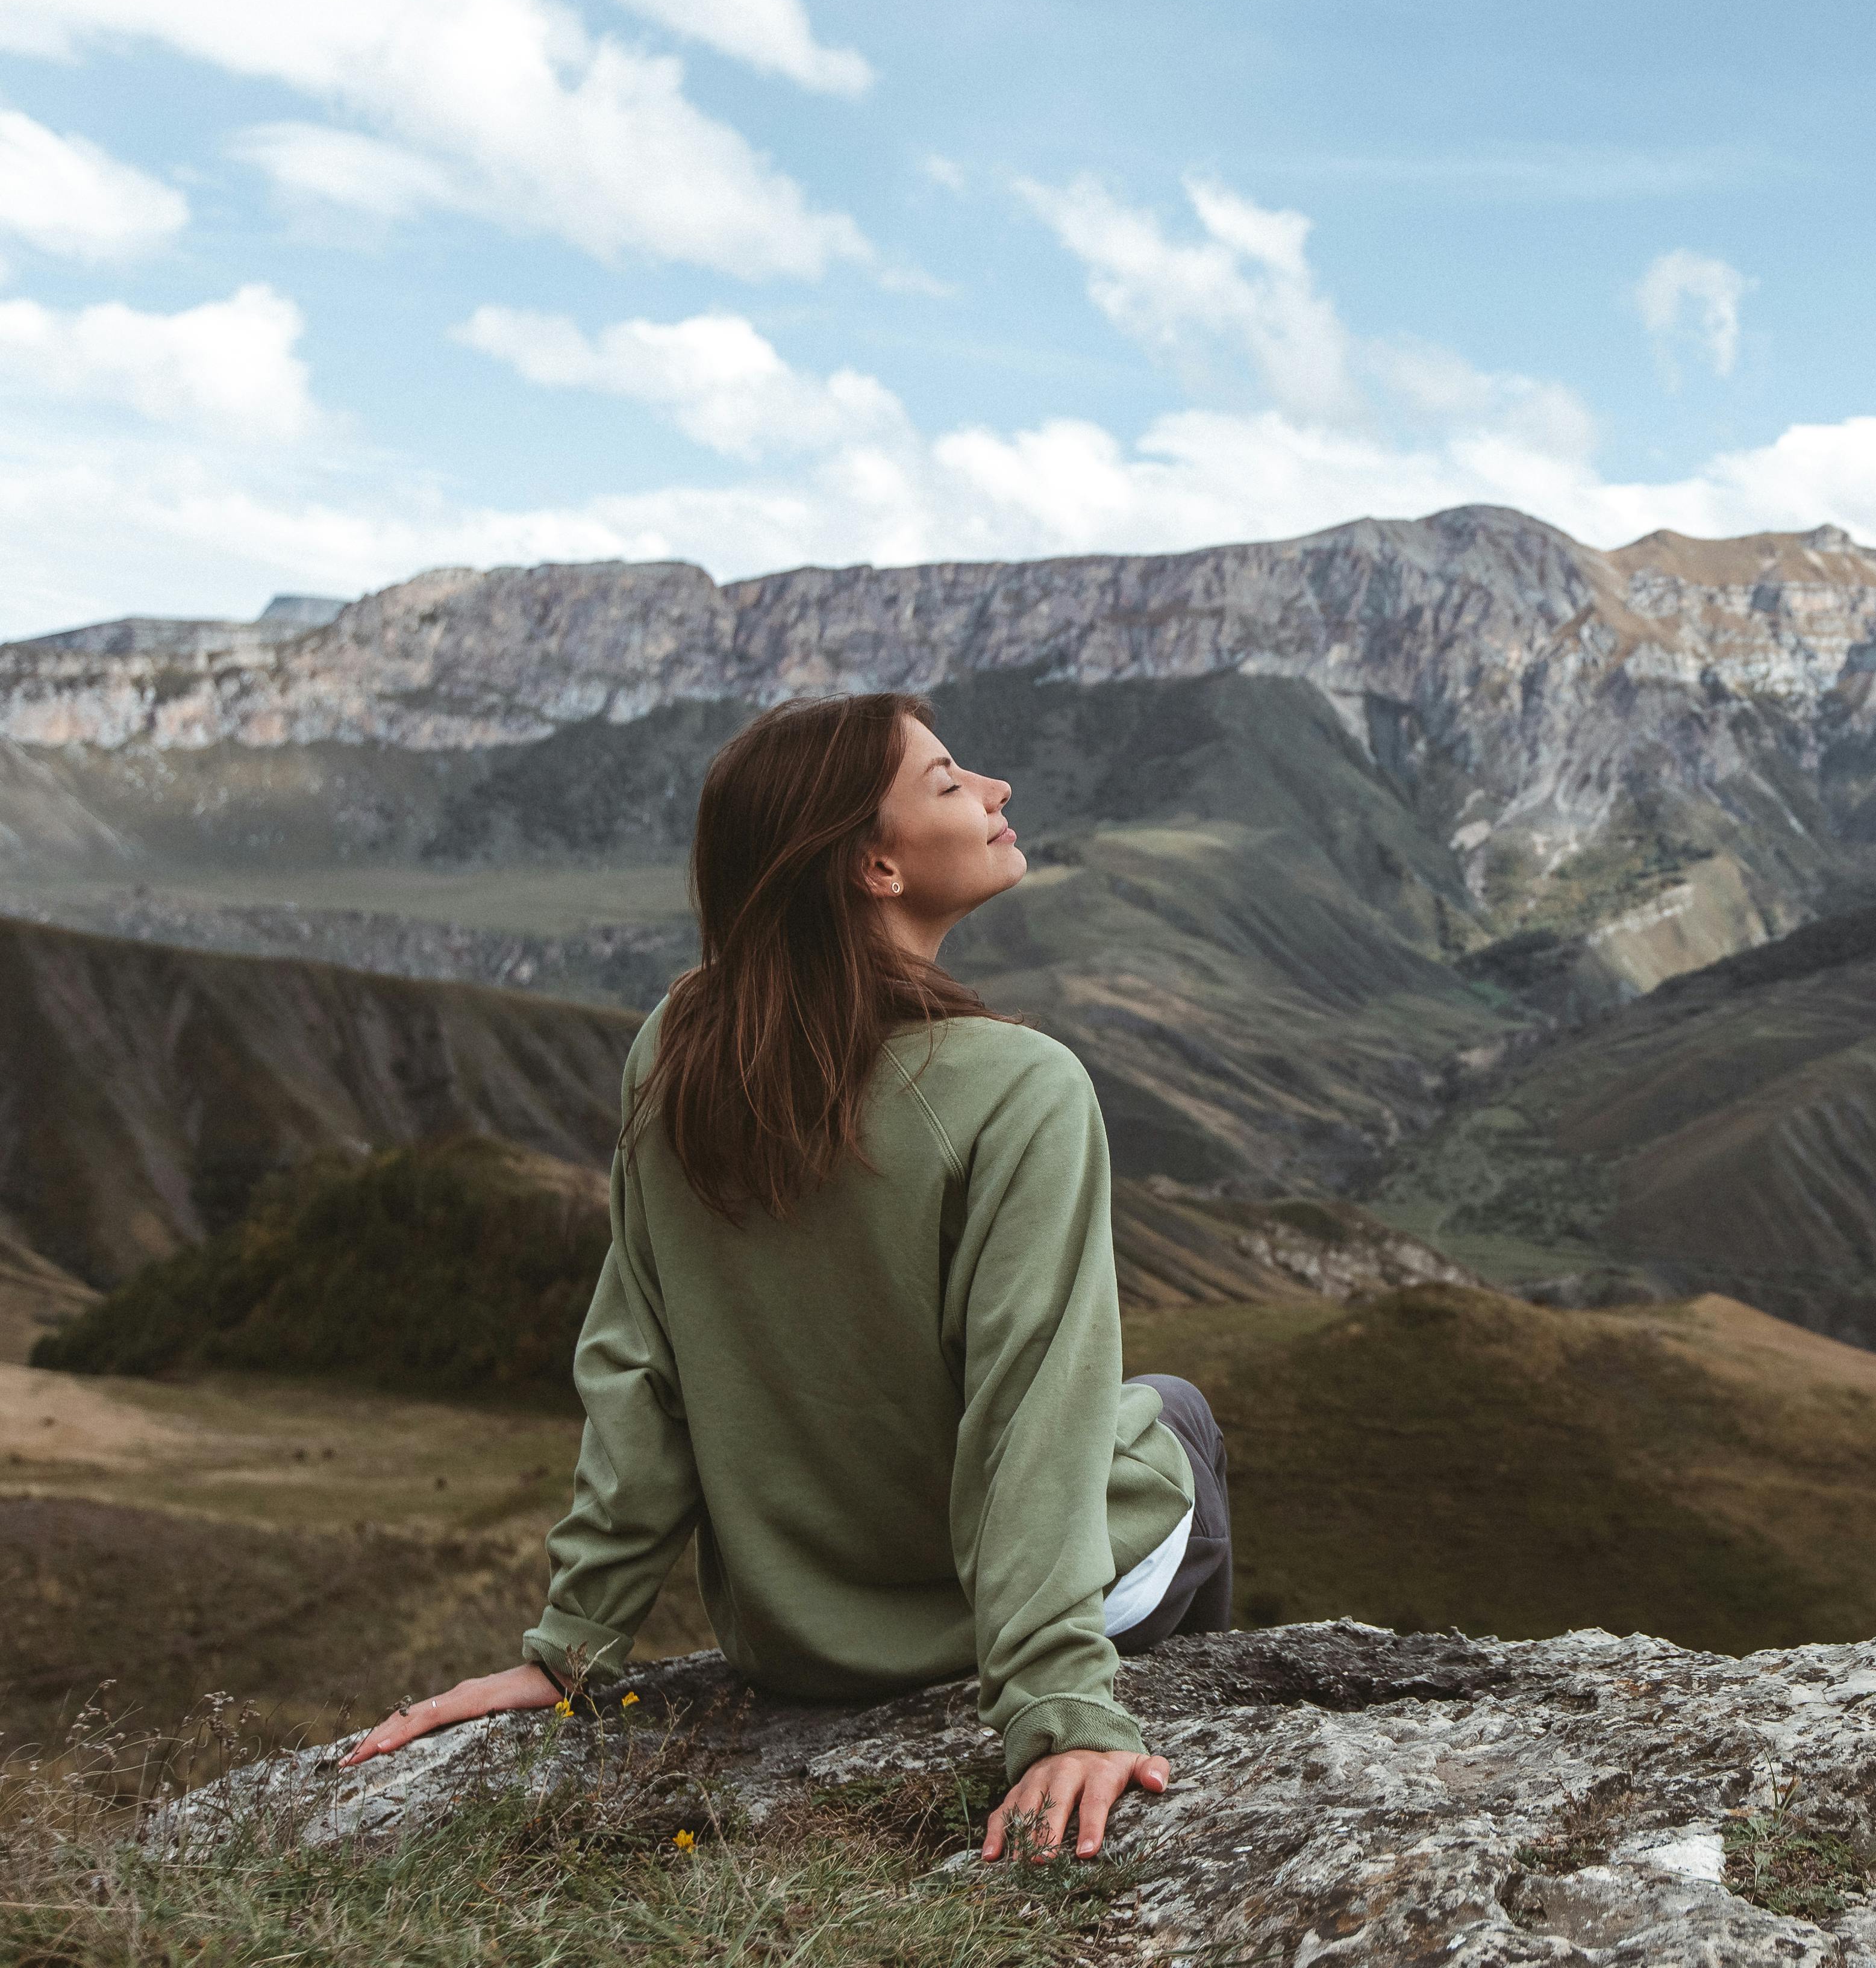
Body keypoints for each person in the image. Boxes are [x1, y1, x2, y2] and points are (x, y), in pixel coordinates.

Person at [340, 692, 1231, 1864]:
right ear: (874, 862)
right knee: (1181, 1424)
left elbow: (637, 1366)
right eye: (955, 780)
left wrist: (575, 1646)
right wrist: (1058, 1707)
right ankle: (1180, 1703)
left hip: (799, 1645)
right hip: (1002, 1632)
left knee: (1154, 1404)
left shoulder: (682, 1046)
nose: (998, 793)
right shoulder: (1024, 1088)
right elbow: (1033, 1409)